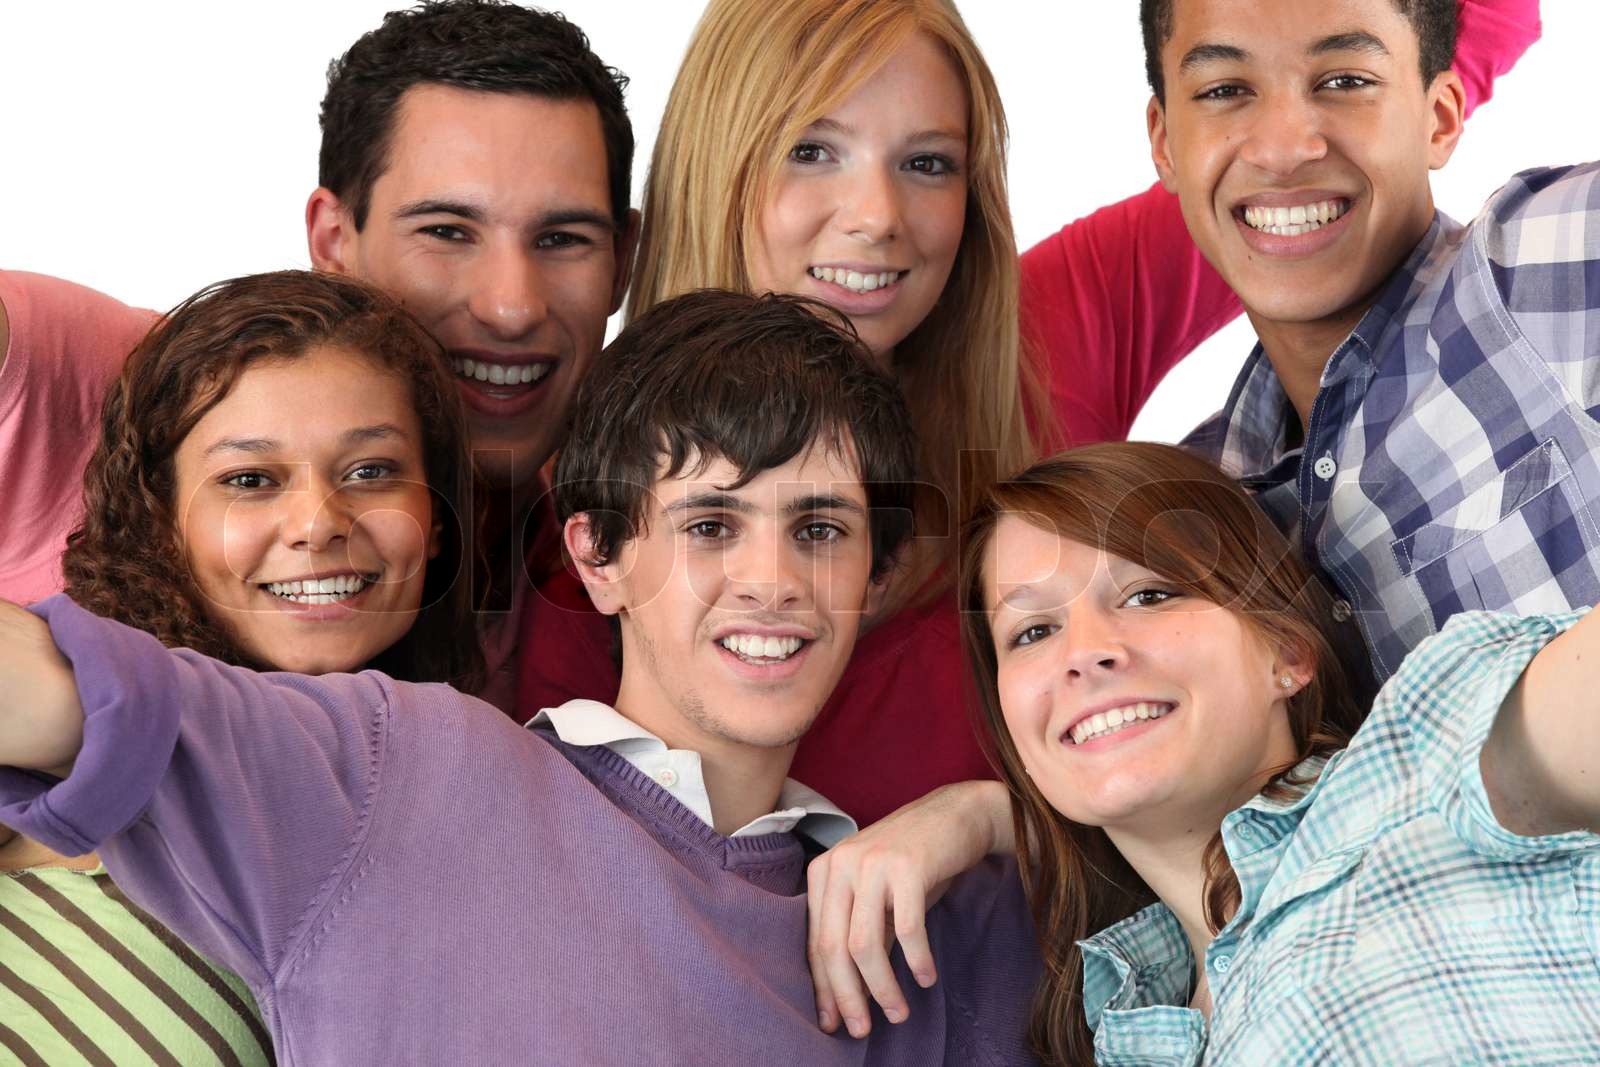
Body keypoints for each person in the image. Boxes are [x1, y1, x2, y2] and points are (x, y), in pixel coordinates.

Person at [516, 0, 1540, 824]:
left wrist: (976, 821)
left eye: (927, 163)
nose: (875, 216)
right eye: (810, 150)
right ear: (717, 158)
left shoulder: (1042, 339)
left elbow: (1309, 154)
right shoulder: (607, 513)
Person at [0, 291, 1039, 1064]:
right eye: (710, 525)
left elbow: (1184, 890)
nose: (771, 582)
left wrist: (985, 815)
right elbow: (60, 695)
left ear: (879, 568)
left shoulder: (936, 921)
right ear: (595, 556)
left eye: (820, 528)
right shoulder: (395, 763)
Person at [0, 0, 638, 707]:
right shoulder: (143, 378)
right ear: (334, 239)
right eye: (447, 231)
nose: (511, 306)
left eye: (562, 239)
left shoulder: (612, 547)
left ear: (623, 259)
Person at [960, 443, 1600, 1063]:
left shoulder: (1430, 757)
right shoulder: (1113, 1026)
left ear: (1287, 654)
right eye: (1034, 631)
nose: (1084, 653)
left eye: (1150, 595)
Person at [2, 270, 481, 1064]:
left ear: (435, 519)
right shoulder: (61, 710)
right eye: (250, 481)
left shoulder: (474, 796)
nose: (319, 524)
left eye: (370, 470)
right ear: (158, 522)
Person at [1140, 0, 1599, 687]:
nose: (1284, 149)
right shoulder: (1193, 514)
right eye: (1225, 91)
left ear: (1440, 118)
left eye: (1345, 81)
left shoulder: (1539, 269)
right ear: (1165, 142)